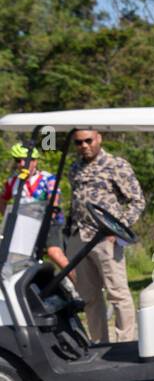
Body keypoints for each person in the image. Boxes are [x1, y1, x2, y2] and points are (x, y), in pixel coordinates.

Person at [66, 130, 144, 342]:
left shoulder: (116, 165)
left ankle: (125, 342)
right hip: (79, 237)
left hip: (105, 238)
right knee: (89, 297)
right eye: (78, 142)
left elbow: (137, 201)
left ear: (98, 138)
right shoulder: (75, 168)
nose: (84, 146)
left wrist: (119, 230)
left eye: (88, 140)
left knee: (117, 293)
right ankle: (99, 343)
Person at [2, 144, 71, 272]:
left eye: (26, 159)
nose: (22, 163)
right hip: (23, 226)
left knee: (54, 252)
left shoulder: (47, 178)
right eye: (18, 160)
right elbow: (3, 199)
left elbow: (54, 200)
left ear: (35, 161)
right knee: (17, 257)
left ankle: (79, 282)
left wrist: (50, 216)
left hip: (49, 223)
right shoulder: (13, 181)